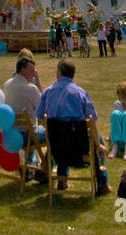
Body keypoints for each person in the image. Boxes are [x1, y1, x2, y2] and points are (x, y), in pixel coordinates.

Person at [36, 60, 103, 192]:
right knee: (97, 140)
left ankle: (61, 179)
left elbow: (39, 117)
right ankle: (102, 183)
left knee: (60, 134)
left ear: (59, 72)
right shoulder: (80, 93)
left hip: (56, 148)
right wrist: (97, 143)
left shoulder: (48, 92)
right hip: (79, 148)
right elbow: (92, 119)